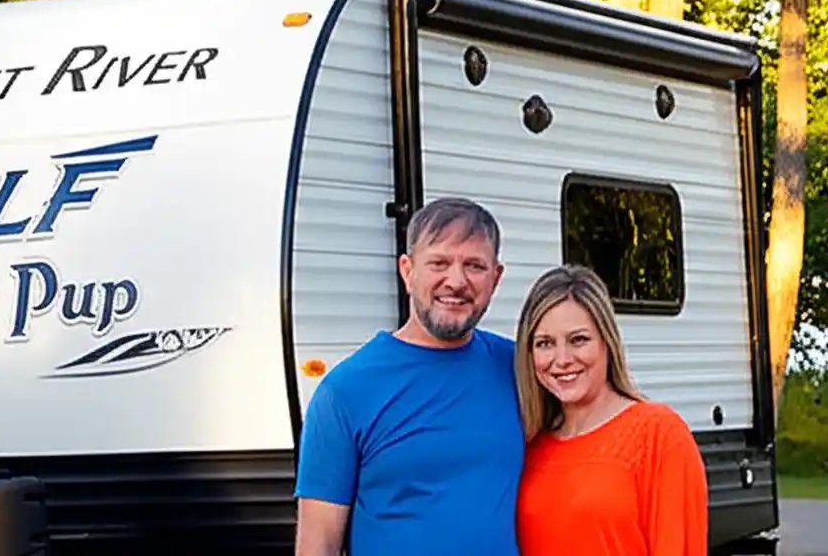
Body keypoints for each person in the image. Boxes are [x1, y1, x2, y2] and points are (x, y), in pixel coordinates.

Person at [293, 197, 525, 556]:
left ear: (496, 278)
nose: (456, 281)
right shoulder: (346, 391)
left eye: (474, 265)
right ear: (407, 271)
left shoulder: (519, 370)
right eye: (439, 263)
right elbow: (318, 542)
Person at [513, 264, 709, 556]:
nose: (562, 359)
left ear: (607, 342)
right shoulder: (530, 445)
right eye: (545, 344)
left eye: (578, 339)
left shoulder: (658, 433)